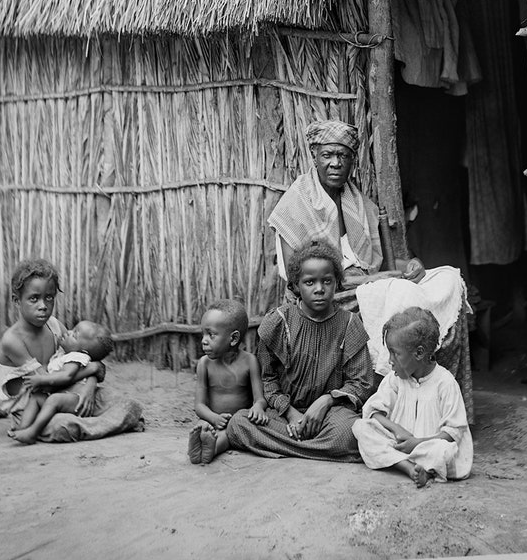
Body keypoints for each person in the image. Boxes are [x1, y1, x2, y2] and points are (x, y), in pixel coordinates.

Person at [268, 118, 469, 383]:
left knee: (449, 280)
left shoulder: (356, 202)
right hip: (331, 291)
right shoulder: (297, 202)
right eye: (327, 155)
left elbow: (381, 261)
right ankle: (396, 384)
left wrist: (412, 264)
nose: (336, 163)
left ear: (352, 160)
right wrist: (370, 280)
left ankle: (436, 388)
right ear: (314, 157)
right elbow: (299, 278)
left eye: (343, 156)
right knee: (401, 290)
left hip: (369, 283)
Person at [224, 239, 374, 461]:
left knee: (350, 433)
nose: (319, 289)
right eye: (309, 282)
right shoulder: (279, 322)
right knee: (239, 422)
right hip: (284, 414)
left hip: (330, 415)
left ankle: (286, 444)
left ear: (337, 283)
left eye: (327, 281)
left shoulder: (349, 324)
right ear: (295, 285)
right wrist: (291, 413)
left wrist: (326, 402)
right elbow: (268, 379)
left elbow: (361, 383)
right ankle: (313, 446)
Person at [352, 307, 473, 488]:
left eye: (395, 353)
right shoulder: (395, 379)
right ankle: (409, 467)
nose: (390, 360)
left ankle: (407, 462)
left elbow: (452, 432)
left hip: (429, 446)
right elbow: (373, 411)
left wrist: (417, 443)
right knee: (361, 427)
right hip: (399, 444)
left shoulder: (445, 383)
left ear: (419, 353)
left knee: (444, 451)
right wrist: (398, 430)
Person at [0, 259, 103, 442]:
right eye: (34, 298)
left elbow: (81, 356)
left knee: (107, 398)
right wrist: (93, 370)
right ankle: (31, 430)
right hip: (28, 408)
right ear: (16, 300)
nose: (43, 305)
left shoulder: (54, 326)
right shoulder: (12, 340)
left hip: (57, 394)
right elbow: (45, 383)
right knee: (64, 426)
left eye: (49, 297)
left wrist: (90, 386)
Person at [188, 298, 267, 465]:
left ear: (233, 339)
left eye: (211, 334)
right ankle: (201, 441)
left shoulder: (249, 362)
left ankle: (212, 448)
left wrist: (258, 407)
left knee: (228, 433)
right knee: (203, 426)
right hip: (212, 419)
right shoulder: (204, 364)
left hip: (237, 422)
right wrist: (214, 418)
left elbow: (259, 398)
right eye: (203, 334)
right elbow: (199, 406)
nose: (204, 340)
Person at [8, 320, 114, 445]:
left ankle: (32, 432)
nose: (68, 332)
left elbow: (67, 376)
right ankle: (22, 428)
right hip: (64, 395)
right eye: (72, 329)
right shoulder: (64, 354)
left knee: (54, 400)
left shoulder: (75, 357)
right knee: (36, 397)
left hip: (76, 398)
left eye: (74, 335)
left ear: (83, 351)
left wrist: (41, 379)